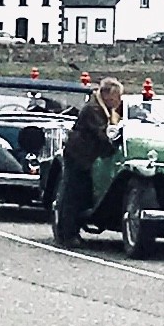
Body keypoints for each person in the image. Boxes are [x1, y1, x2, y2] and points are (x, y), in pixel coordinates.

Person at [54, 78, 125, 247]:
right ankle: (68, 234)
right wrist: (113, 149)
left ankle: (69, 231)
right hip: (79, 156)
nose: (118, 101)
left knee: (78, 193)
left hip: (84, 156)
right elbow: (101, 133)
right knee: (73, 194)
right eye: (117, 96)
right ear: (107, 95)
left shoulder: (102, 108)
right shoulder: (93, 109)